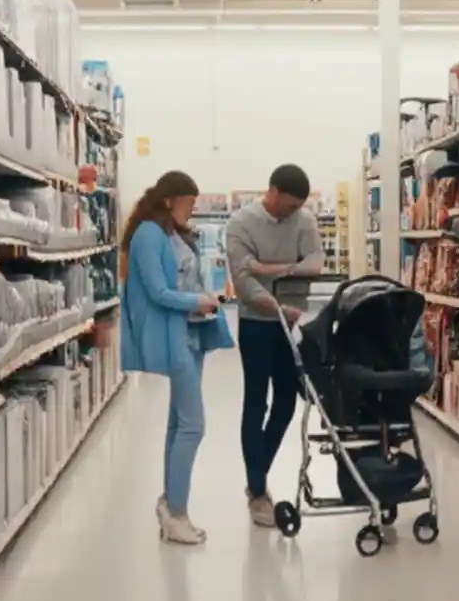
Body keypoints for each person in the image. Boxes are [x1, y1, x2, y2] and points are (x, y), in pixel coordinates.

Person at [121, 171, 234, 545]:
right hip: (173, 337)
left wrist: (202, 302)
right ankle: (177, 512)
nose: (193, 209)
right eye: (189, 202)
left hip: (191, 334)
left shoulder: (174, 235)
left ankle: (171, 506)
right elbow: (157, 291)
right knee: (193, 426)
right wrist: (197, 301)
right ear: (170, 200)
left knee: (179, 423)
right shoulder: (148, 236)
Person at [225, 164, 325, 527]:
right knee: (256, 400)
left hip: (291, 322)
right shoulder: (240, 224)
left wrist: (273, 271)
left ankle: (256, 476)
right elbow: (244, 280)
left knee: (286, 401)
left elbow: (314, 263)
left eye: (300, 206)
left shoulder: (305, 220)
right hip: (257, 324)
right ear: (274, 192)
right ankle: (257, 490)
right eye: (290, 205)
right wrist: (278, 293)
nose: (294, 212)